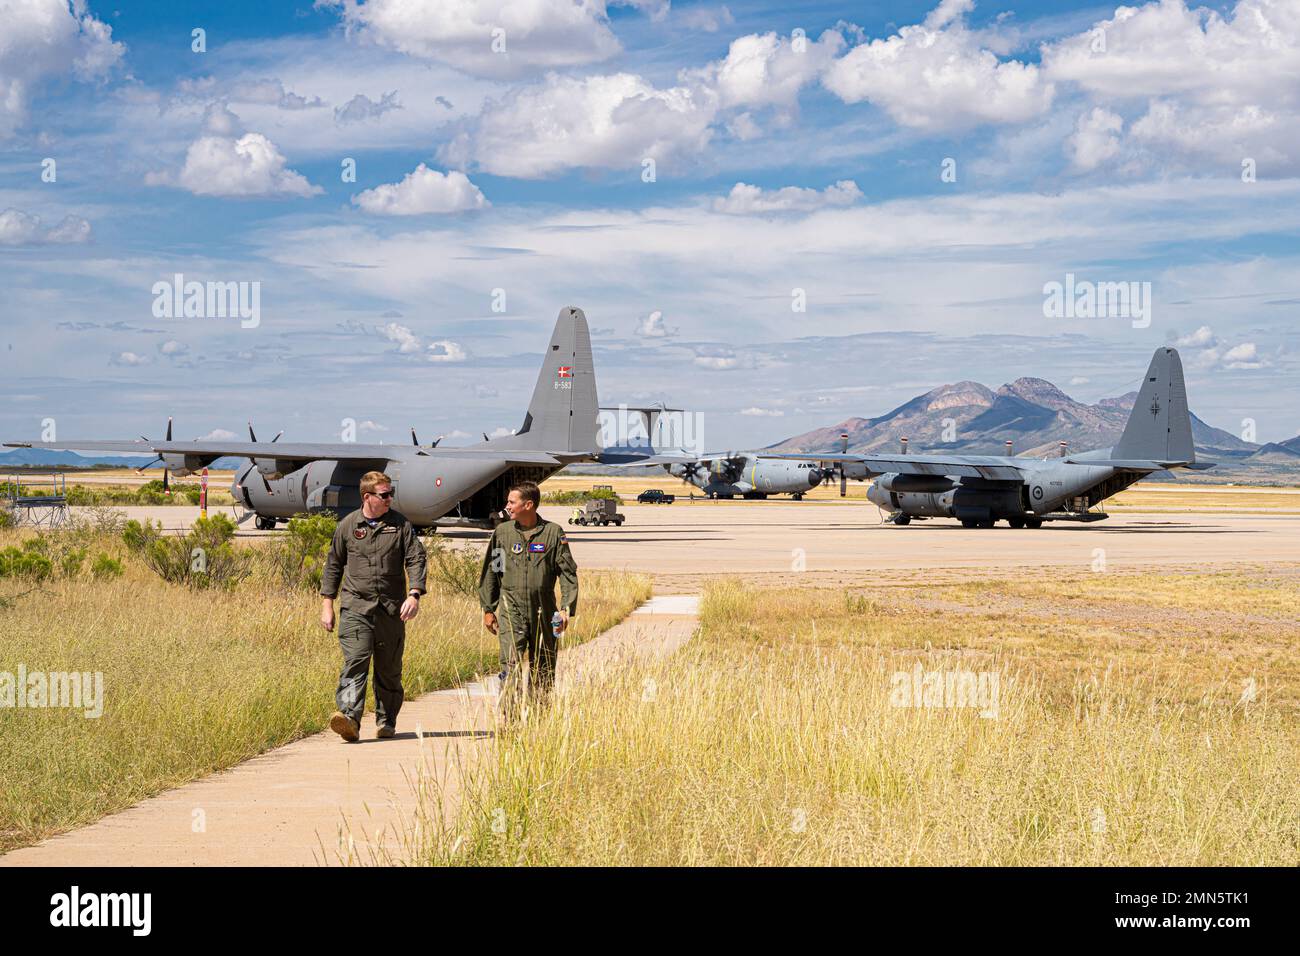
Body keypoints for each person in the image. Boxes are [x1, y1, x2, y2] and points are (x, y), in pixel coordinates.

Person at [319, 471, 427, 742]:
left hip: (390, 609)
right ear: (367, 497)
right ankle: (348, 717)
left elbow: (415, 558)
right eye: (384, 495)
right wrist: (327, 604)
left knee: (388, 669)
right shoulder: (348, 526)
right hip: (356, 607)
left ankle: (386, 720)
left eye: (391, 493)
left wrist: (414, 594)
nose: (390, 498)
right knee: (355, 661)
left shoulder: (400, 525)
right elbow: (333, 566)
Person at [478, 481, 578, 719]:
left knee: (544, 666)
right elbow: (493, 571)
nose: (508, 506)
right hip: (511, 610)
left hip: (545, 611)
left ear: (528, 505)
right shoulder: (503, 533)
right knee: (510, 664)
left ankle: (538, 720)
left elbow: (567, 574)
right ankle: (510, 720)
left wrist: (566, 609)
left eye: (512, 502)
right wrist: (488, 608)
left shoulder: (553, 533)